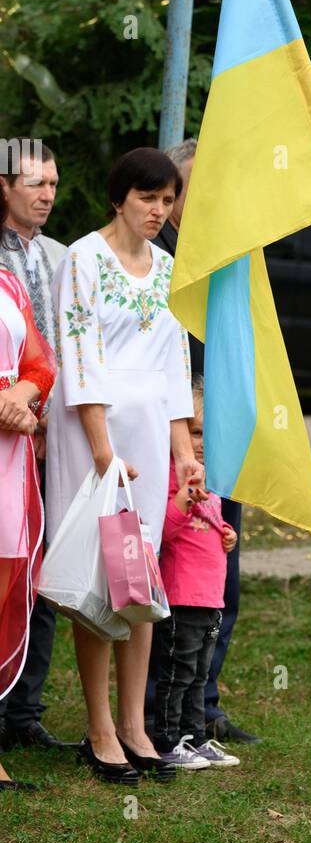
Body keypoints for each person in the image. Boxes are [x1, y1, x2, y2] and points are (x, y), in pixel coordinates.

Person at [46, 147, 204, 785]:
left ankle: (136, 725)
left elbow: (172, 365)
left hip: (147, 440)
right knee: (103, 577)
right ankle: (99, 729)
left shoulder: (167, 267)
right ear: (119, 198)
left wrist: (184, 452)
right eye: (148, 199)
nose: (159, 211)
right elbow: (79, 357)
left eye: (167, 201)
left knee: (142, 579)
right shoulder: (83, 258)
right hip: (94, 439)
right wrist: (104, 450)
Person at [149, 138, 256, 747]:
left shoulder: (230, 258)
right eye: (193, 188)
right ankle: (165, 708)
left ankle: (202, 704)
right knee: (173, 572)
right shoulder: (155, 258)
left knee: (220, 572)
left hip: (225, 433)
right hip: (175, 438)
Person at [0, 140, 71, 751]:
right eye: (34, 182)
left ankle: (25, 710)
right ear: (3, 185)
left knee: (39, 569)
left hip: (55, 430)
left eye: (53, 183)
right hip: (10, 432)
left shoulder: (57, 255)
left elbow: (57, 348)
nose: (47, 194)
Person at [153, 376, 240, 771]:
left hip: (210, 598)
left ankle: (195, 736)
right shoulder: (173, 479)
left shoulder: (212, 482)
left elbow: (211, 525)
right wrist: (184, 497)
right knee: (177, 673)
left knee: (199, 673)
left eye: (207, 433)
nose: (201, 442)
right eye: (193, 432)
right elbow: (166, 532)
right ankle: (167, 739)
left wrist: (227, 535)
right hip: (182, 596)